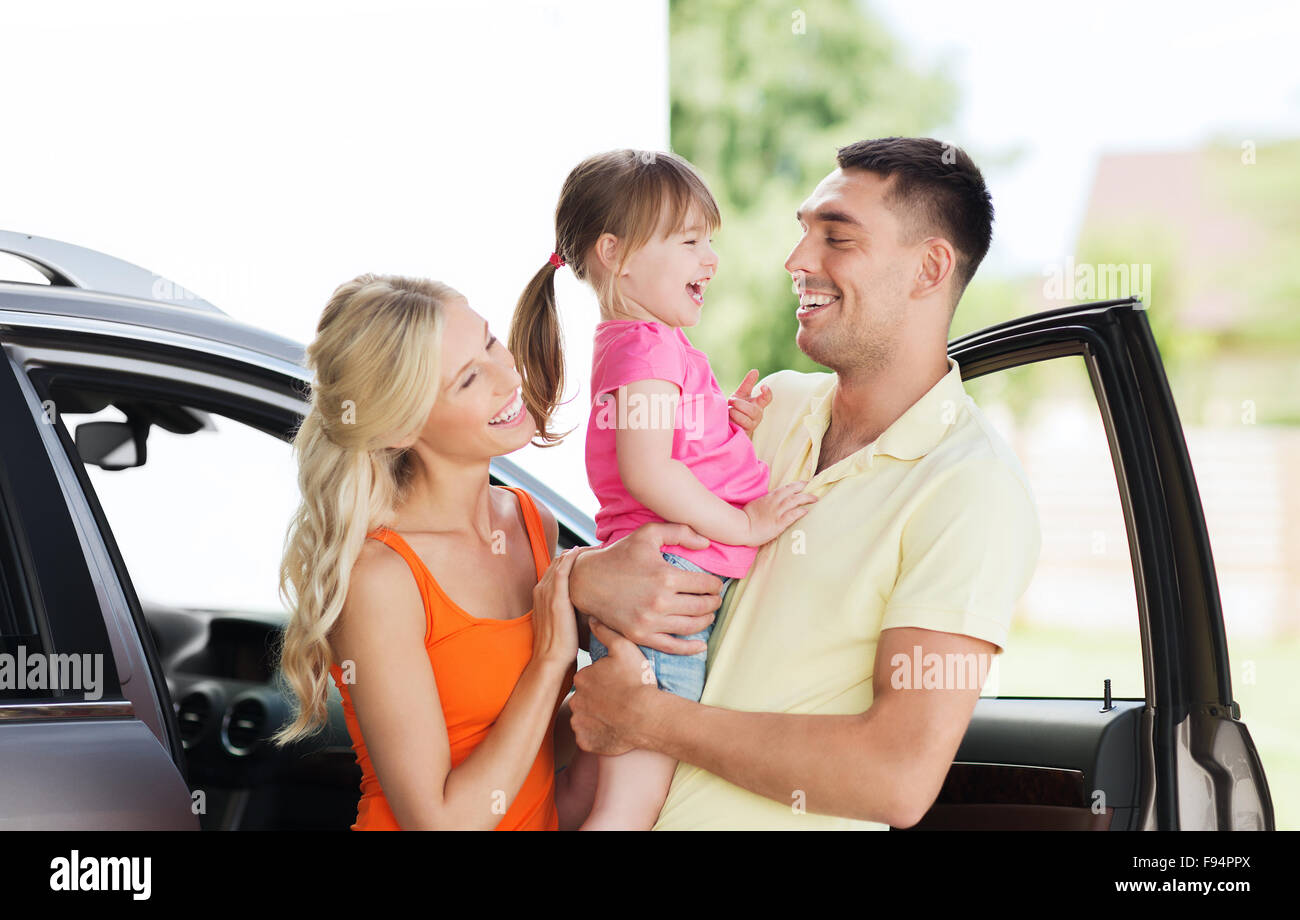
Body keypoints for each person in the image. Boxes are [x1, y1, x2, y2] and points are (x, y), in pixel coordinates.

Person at [565, 136, 1043, 830]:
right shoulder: (771, 410)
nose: (797, 261)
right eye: (802, 232)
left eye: (836, 238)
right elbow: (643, 546)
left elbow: (895, 776)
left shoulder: (971, 491)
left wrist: (652, 720)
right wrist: (582, 579)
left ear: (928, 268)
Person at [511, 149, 817, 829]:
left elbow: (664, 448)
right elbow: (648, 472)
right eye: (689, 242)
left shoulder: (649, 346)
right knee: (632, 806)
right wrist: (746, 524)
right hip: (664, 594)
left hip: (652, 587)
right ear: (615, 253)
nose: (710, 260)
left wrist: (724, 425)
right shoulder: (645, 348)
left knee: (590, 797)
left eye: (710, 241)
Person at [273, 274, 590, 830]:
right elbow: (439, 823)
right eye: (469, 379)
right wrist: (550, 662)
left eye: (491, 343)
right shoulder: (381, 577)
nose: (506, 375)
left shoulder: (530, 522)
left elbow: (534, 753)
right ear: (400, 427)